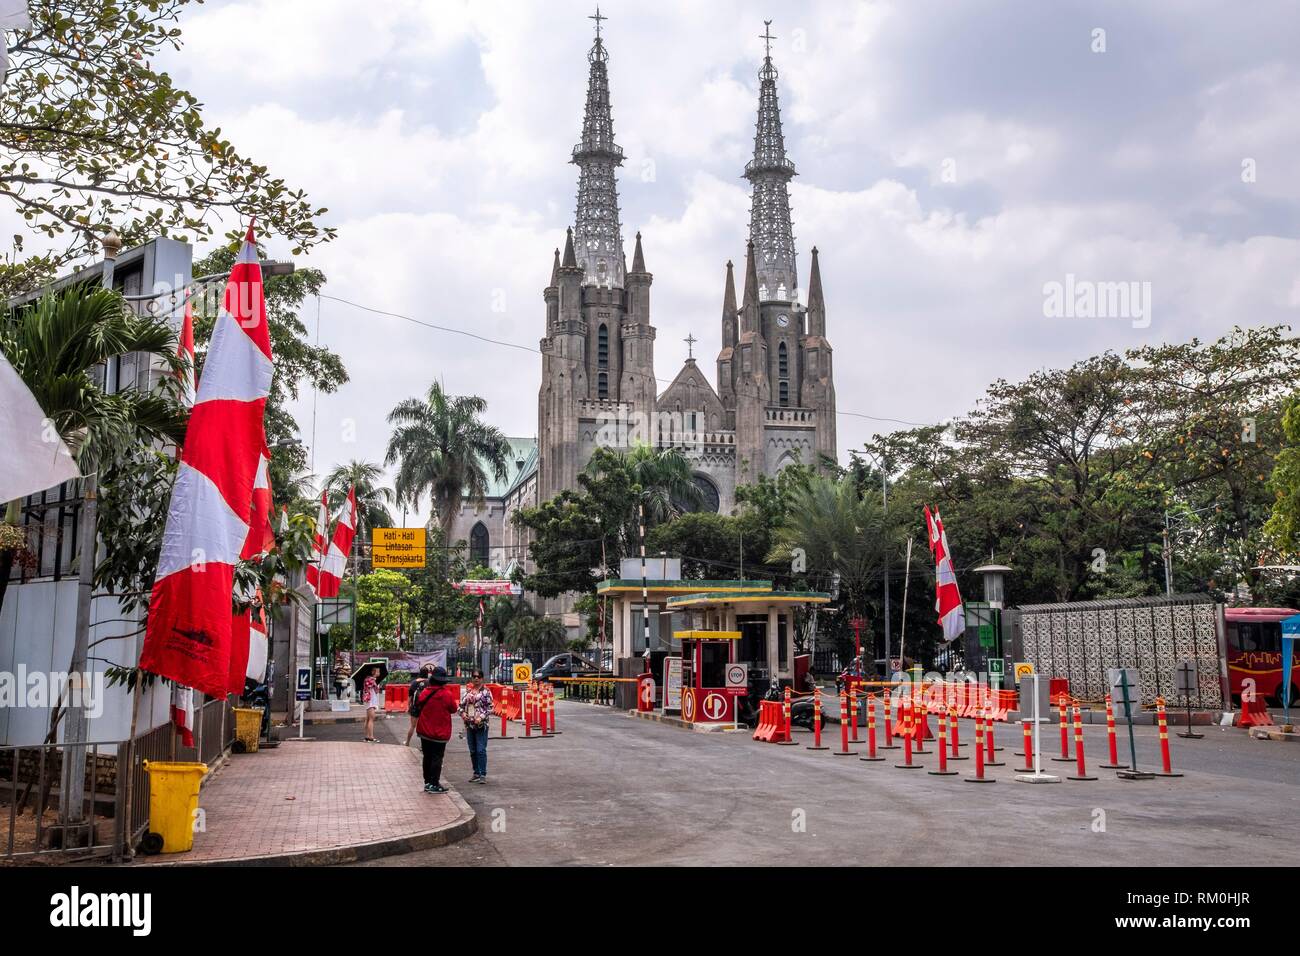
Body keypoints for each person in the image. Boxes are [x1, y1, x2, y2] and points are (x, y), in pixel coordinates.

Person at [412, 667, 458, 793]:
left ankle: (427, 782)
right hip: (440, 733)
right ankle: (434, 783)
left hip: (425, 731)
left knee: (427, 757)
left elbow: (419, 703)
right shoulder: (446, 695)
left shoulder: (425, 692)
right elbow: (454, 709)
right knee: (437, 758)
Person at [458, 670, 494, 784]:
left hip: (481, 725)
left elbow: (491, 708)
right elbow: (460, 706)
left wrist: (481, 717)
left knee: (481, 750)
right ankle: (476, 773)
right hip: (470, 725)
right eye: (474, 676)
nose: (476, 678)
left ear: (482, 678)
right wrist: (463, 714)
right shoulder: (468, 692)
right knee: (473, 750)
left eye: (478, 677)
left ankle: (483, 774)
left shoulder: (486, 692)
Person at [405, 664, 434, 747]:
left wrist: (408, 706)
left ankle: (407, 742)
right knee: (426, 727)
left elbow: (410, 696)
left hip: (415, 707)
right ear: (427, 673)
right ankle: (423, 746)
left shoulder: (414, 682)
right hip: (426, 708)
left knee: (412, 726)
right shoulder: (429, 682)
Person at [361, 665, 383, 742]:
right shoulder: (369, 679)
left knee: (368, 718)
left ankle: (367, 736)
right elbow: (375, 689)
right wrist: (374, 682)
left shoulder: (372, 679)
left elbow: (376, 690)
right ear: (373, 672)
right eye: (378, 671)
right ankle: (371, 737)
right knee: (371, 718)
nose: (379, 673)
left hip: (371, 700)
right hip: (369, 701)